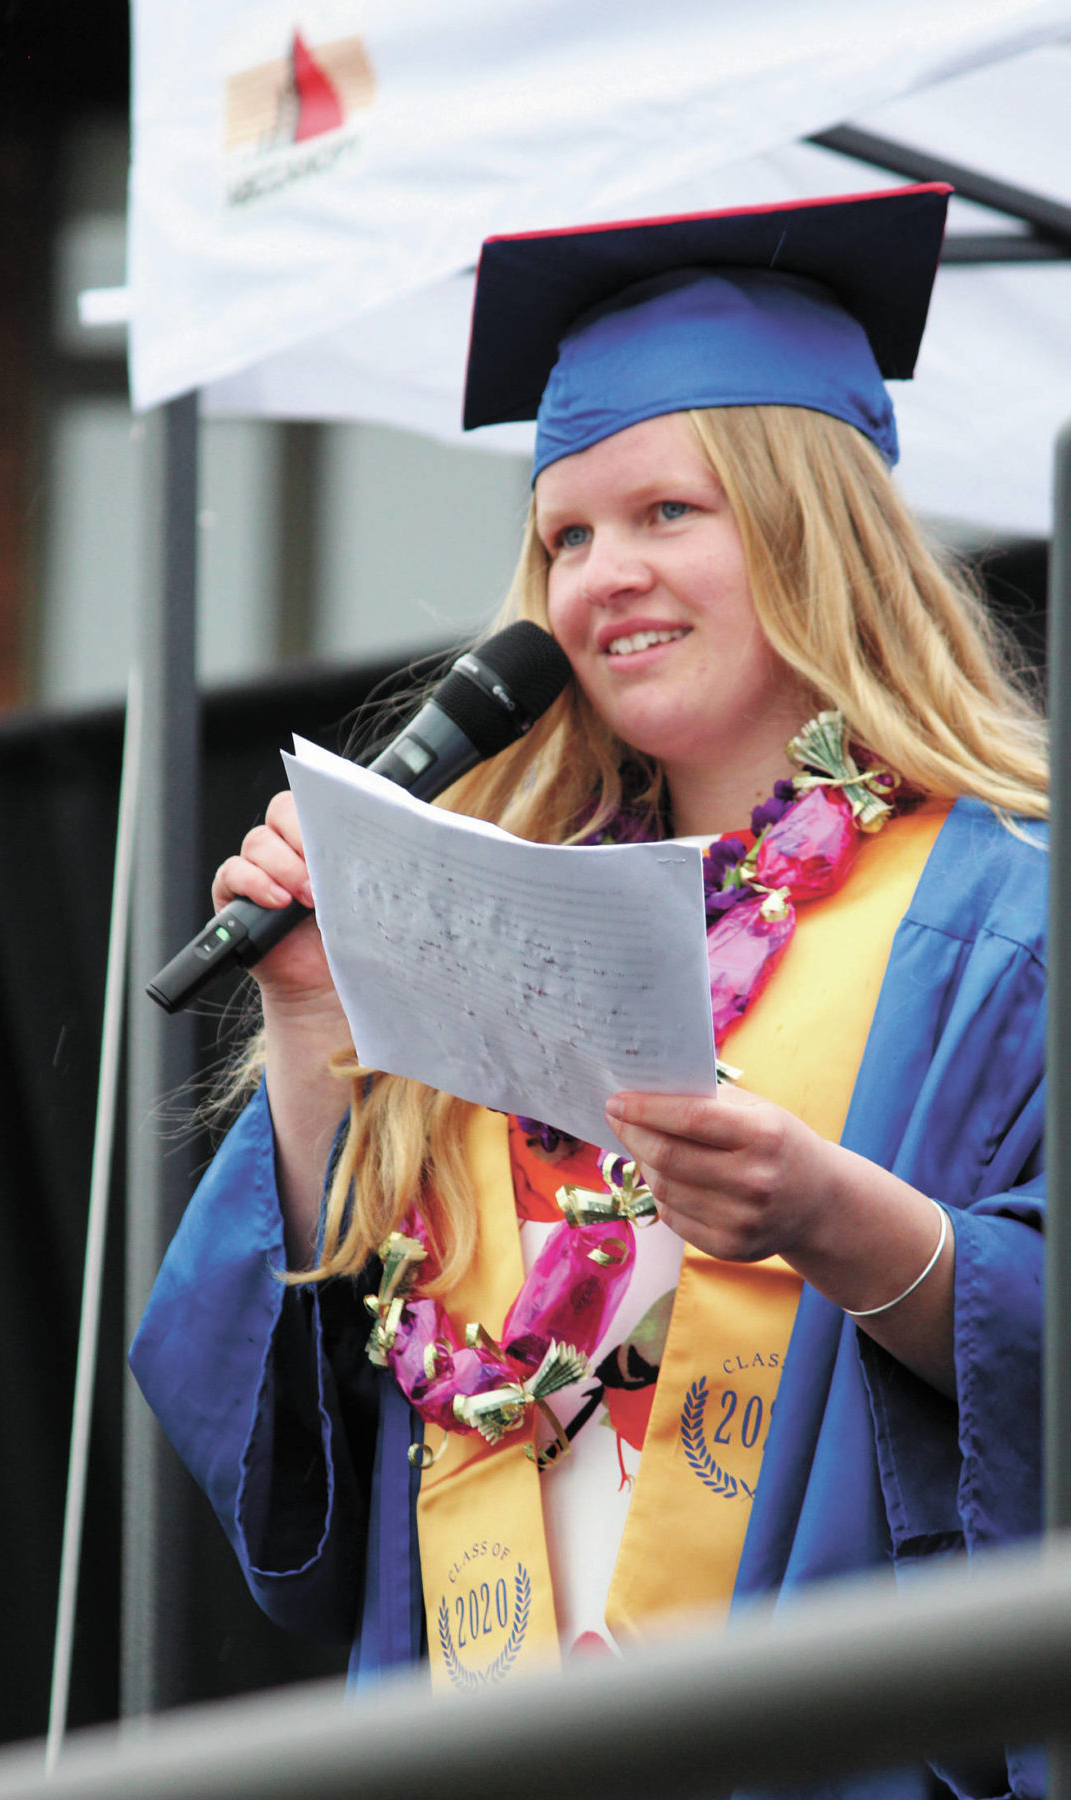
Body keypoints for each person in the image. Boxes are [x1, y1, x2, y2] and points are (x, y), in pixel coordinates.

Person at [130, 184, 1046, 1797]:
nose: (599, 576)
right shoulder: (492, 921)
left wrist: (836, 1219)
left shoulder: (1005, 929)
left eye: (667, 515)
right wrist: (311, 1020)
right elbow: (298, 1433)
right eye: (564, 536)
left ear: (809, 526)